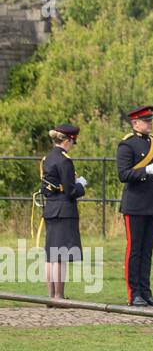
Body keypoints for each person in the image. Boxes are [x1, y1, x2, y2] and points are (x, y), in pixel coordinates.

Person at [117, 105, 153, 307]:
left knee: (147, 251)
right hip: (135, 206)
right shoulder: (127, 146)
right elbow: (123, 175)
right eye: (146, 121)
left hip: (152, 204)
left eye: (150, 120)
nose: (150, 124)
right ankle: (134, 293)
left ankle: (146, 292)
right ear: (135, 123)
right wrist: (146, 169)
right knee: (135, 250)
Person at [40, 123, 86, 300]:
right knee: (60, 256)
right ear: (68, 140)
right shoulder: (65, 160)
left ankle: (50, 296)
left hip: (51, 208)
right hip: (64, 210)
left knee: (51, 254)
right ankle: (59, 296)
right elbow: (70, 191)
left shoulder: (47, 158)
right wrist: (81, 185)